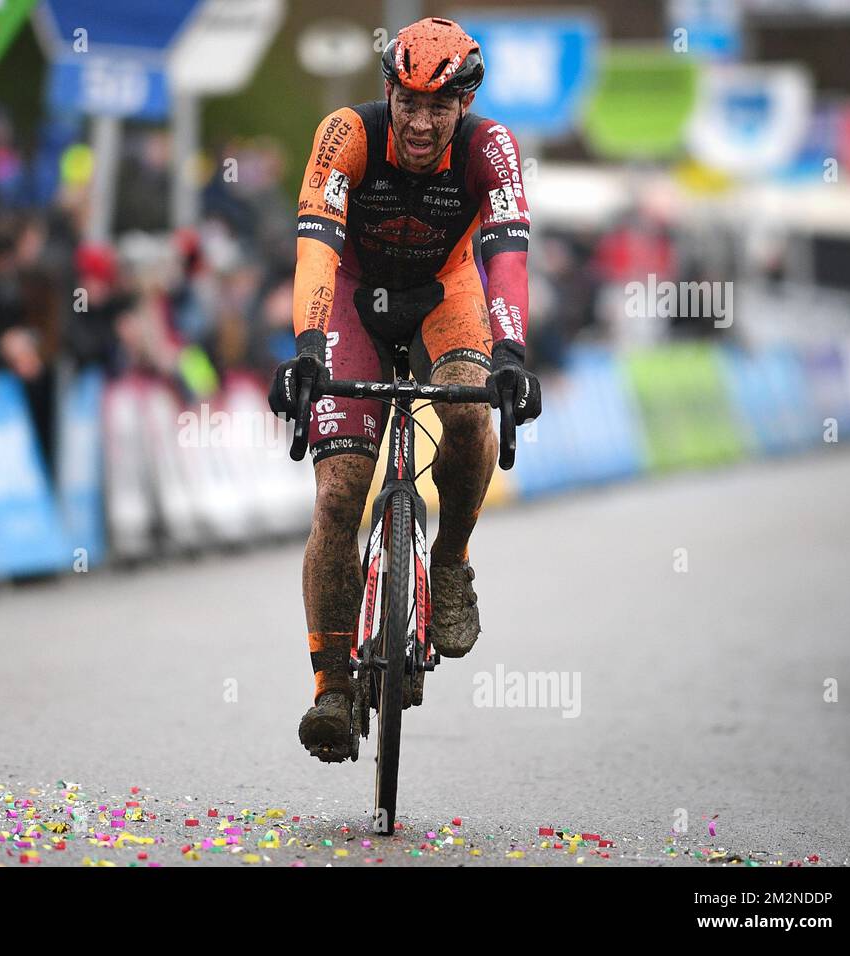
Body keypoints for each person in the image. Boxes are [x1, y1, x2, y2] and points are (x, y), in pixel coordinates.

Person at [267, 18, 543, 761]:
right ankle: (330, 686)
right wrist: (306, 349)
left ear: (465, 103)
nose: (421, 123)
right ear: (390, 89)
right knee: (337, 494)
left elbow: (508, 257)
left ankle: (449, 565)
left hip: (444, 295)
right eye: (408, 103)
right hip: (353, 297)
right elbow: (317, 251)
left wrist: (512, 353)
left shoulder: (492, 148)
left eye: (439, 107)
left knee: (466, 406)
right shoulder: (345, 135)